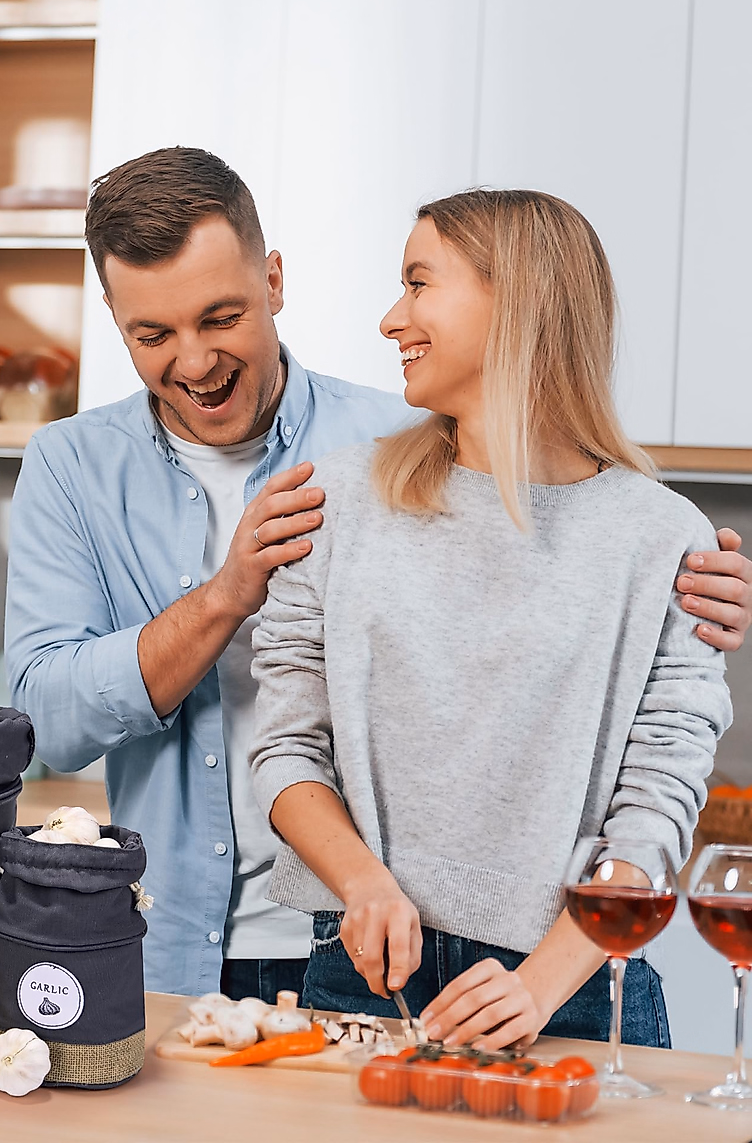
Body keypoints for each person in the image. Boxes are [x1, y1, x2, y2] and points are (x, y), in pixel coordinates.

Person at [4, 148, 751, 999]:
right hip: (194, 932)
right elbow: (43, 724)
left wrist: (687, 593)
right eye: (152, 334)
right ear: (115, 321)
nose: (195, 360)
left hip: (376, 943)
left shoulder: (417, 433)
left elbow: (573, 592)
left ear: (274, 281)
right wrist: (222, 600)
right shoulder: (76, 466)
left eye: (221, 317)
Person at [250, 188, 734, 1048]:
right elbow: (286, 745)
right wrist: (363, 884)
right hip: (361, 974)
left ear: (518, 298)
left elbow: (659, 801)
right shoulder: (339, 502)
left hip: (577, 988)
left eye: (418, 282)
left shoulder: (662, 539)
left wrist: (539, 987)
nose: (391, 317)